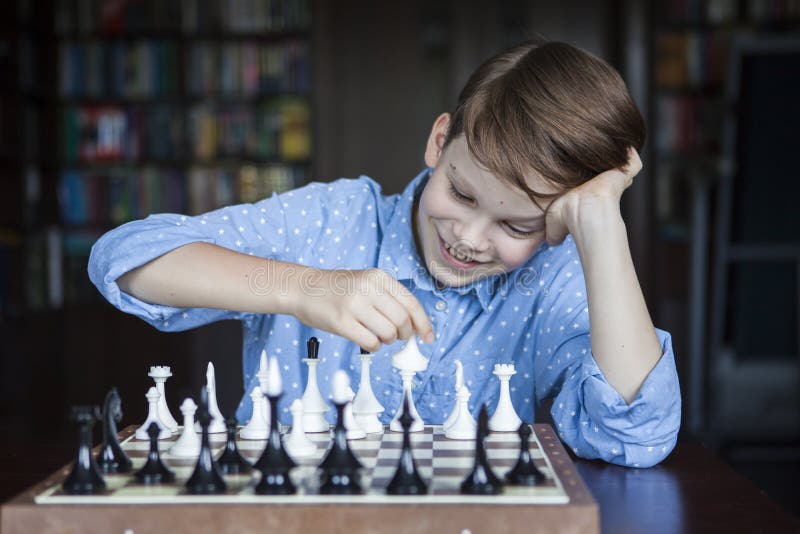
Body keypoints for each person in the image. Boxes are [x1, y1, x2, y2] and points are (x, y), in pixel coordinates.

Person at [89, 39, 680, 467]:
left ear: (555, 223)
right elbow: (125, 259)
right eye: (462, 192)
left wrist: (602, 225)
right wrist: (304, 288)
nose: (471, 237)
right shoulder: (333, 220)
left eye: (517, 225)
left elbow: (636, 435)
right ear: (439, 141)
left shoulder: (555, 276)